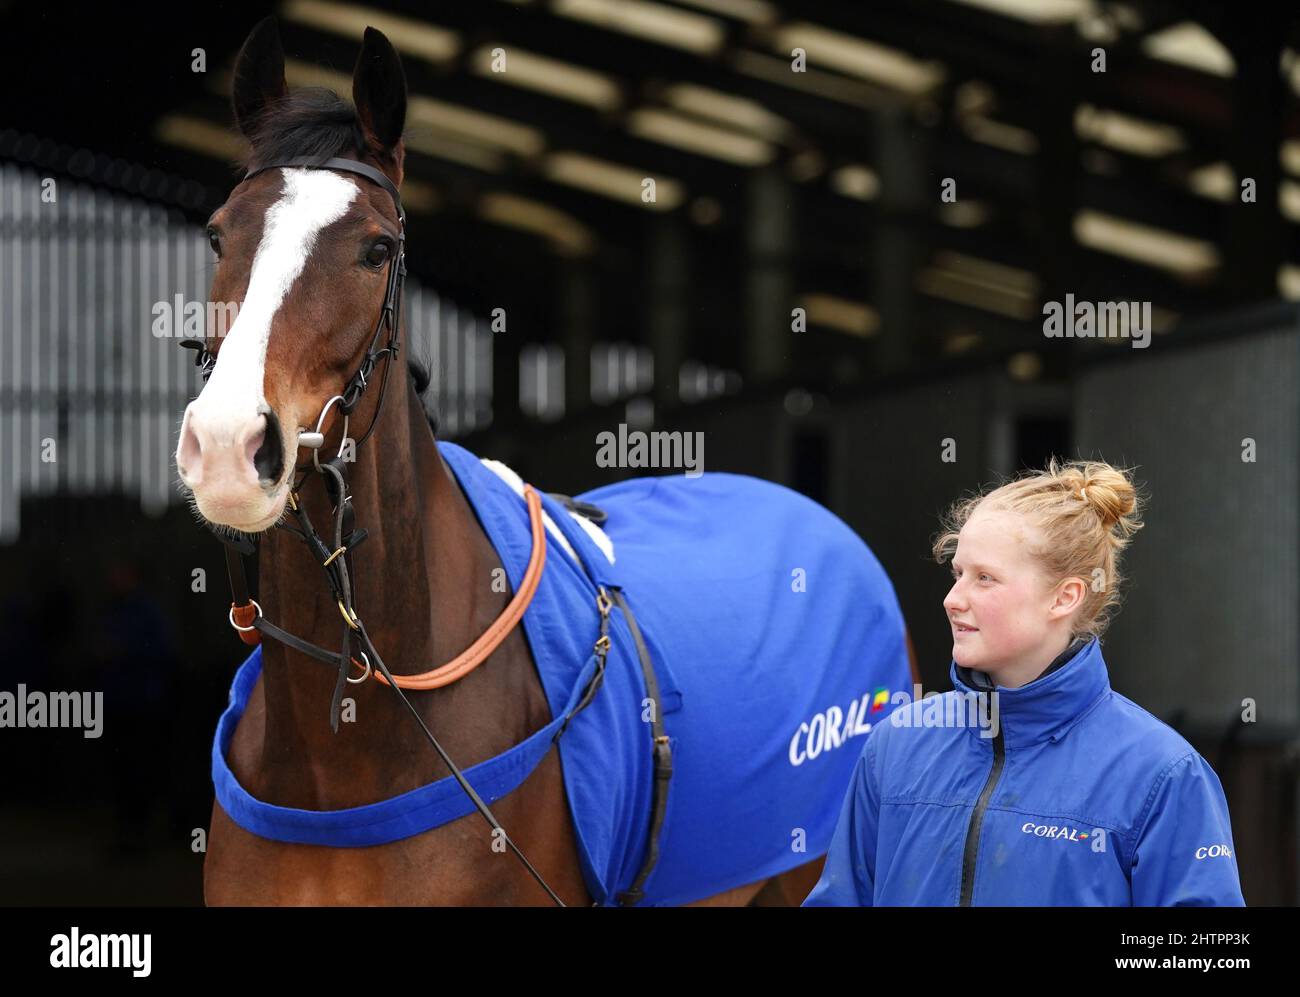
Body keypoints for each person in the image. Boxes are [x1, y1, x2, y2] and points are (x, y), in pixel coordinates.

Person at [803, 458, 1245, 906]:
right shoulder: (895, 746)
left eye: (985, 579)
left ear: (1064, 596)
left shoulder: (1162, 773)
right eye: (958, 574)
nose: (952, 600)